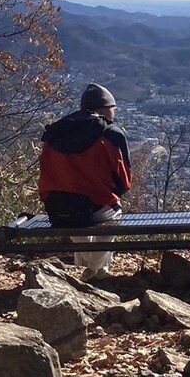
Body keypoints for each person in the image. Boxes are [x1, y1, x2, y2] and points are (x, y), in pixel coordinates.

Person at [38, 83, 131, 282]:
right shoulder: (110, 133)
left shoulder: (54, 133)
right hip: (96, 206)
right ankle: (94, 270)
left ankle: (95, 269)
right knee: (112, 212)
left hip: (58, 208)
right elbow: (123, 181)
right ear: (104, 109)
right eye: (112, 108)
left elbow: (45, 172)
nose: (113, 112)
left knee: (75, 217)